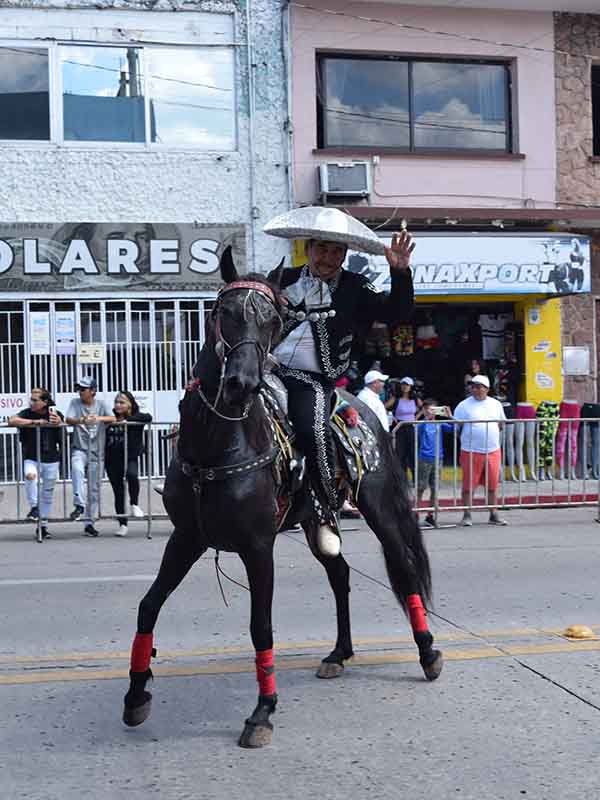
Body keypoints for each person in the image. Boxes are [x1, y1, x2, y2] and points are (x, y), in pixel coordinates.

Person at [264, 206, 415, 557]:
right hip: (265, 370)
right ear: (309, 248)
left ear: (344, 255)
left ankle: (325, 513)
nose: (328, 258)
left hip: (310, 380)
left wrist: (400, 273)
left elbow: (397, 313)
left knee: (311, 428)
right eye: (322, 249)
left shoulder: (355, 288)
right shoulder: (281, 278)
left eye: (336, 252)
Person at [8, 388, 64, 540]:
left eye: (35, 400)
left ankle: (43, 526)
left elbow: (62, 434)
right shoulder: (27, 413)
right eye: (31, 399)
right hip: (32, 457)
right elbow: (12, 420)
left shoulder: (55, 413)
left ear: (45, 402)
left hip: (51, 458)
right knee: (30, 476)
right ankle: (34, 507)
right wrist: (33, 422)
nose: (31, 402)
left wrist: (59, 422)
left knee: (47, 493)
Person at [453, 375, 507, 527]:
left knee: (492, 485)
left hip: (493, 450)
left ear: (487, 389)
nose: (476, 389)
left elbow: (501, 424)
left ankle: (493, 514)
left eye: (479, 386)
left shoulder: (496, 404)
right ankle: (467, 514)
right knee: (468, 486)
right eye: (473, 386)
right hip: (470, 451)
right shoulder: (463, 406)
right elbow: (457, 429)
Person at [65, 376, 115, 537]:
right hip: (80, 448)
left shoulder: (101, 404)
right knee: (77, 470)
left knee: (94, 489)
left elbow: (112, 417)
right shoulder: (75, 403)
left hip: (97, 451)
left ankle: (89, 523)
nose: (80, 392)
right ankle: (79, 504)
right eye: (79, 388)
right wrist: (82, 419)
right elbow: (68, 418)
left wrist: (97, 418)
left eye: (83, 389)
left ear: (93, 390)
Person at [105, 391, 153, 537]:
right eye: (116, 402)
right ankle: (122, 524)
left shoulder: (137, 418)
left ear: (130, 404)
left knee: (132, 475)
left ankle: (134, 504)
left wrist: (129, 420)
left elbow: (148, 417)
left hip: (129, 457)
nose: (118, 405)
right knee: (118, 492)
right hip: (112, 459)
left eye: (122, 402)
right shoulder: (111, 416)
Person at [415, 399, 453, 528]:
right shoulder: (422, 424)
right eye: (428, 409)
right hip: (424, 459)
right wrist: (425, 416)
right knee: (421, 487)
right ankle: (415, 513)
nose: (430, 412)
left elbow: (454, 427)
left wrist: (449, 415)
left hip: (438, 458)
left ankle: (430, 515)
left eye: (433, 409)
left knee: (435, 488)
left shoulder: (440, 423)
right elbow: (417, 429)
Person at [391, 377, 422, 478]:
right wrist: (391, 416)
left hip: (411, 427)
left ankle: (415, 478)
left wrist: (415, 418)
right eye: (403, 384)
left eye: (407, 385)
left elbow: (425, 407)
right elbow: (383, 407)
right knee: (401, 453)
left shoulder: (415, 399)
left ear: (411, 387)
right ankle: (402, 478)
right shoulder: (396, 398)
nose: (405, 387)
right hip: (400, 427)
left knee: (412, 452)